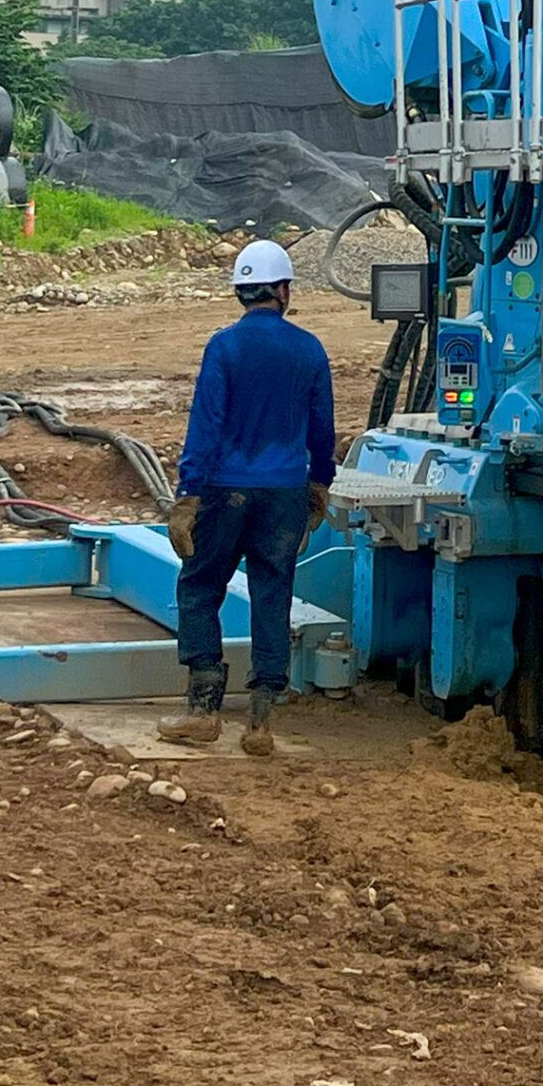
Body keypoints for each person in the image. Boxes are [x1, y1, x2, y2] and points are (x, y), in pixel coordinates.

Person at [158, 238, 336, 757]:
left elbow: (205, 425)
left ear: (241, 292)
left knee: (200, 586)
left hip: (224, 490)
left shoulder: (225, 347)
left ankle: (203, 711)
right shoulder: (309, 349)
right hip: (283, 493)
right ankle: (259, 722)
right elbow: (322, 430)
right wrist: (318, 483)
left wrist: (189, 494)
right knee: (273, 594)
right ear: (283, 290)